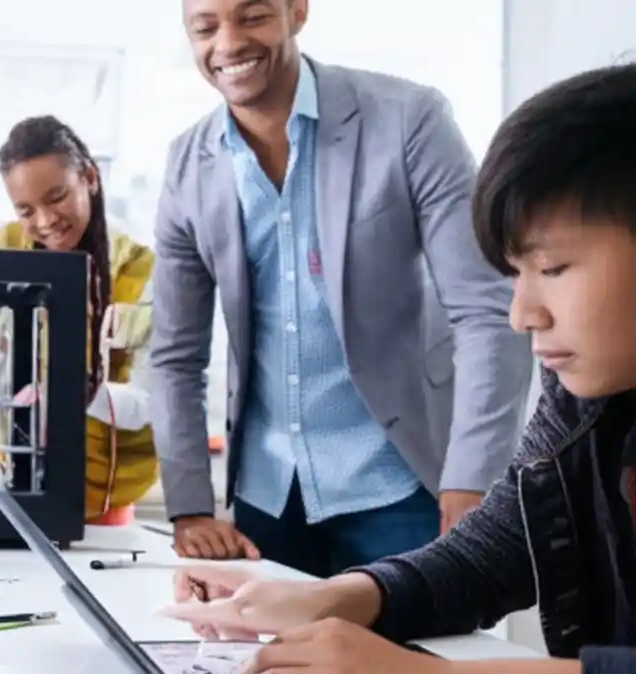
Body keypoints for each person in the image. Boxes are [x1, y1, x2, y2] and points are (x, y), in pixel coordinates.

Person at [163, 62, 636, 674]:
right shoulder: (587, 401)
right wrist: (334, 598)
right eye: (517, 273)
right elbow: (499, 549)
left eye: (552, 268)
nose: (521, 313)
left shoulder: (408, 116)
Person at [148, 0, 532, 573]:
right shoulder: (187, 164)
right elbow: (175, 356)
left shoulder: (409, 118)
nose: (227, 44)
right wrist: (189, 507)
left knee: (420, 660)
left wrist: (473, 476)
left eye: (252, 16)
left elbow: (485, 309)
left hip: (403, 486)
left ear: (296, 10)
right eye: (205, 27)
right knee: (273, 663)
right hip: (268, 499)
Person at [0, 115, 167, 526]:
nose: (45, 221)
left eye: (57, 197)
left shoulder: (145, 275)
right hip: (18, 488)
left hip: (106, 502)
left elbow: (154, 403)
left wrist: (80, 394)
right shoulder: (6, 249)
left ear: (89, 176)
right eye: (26, 210)